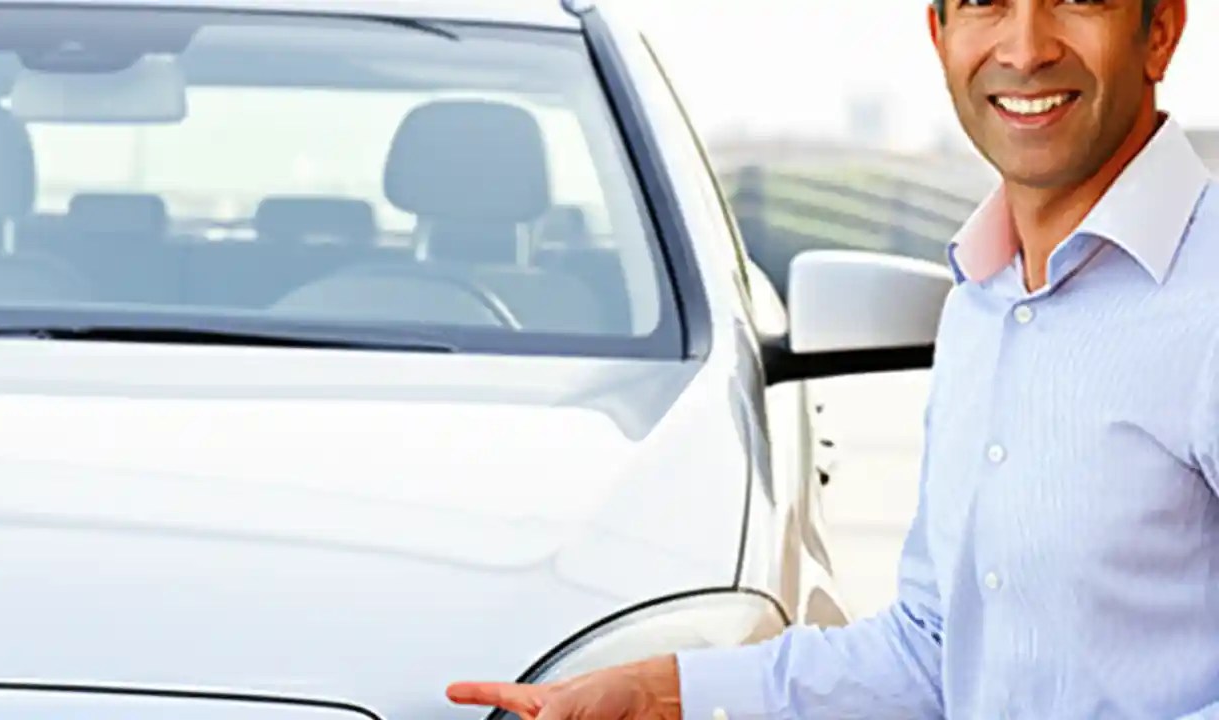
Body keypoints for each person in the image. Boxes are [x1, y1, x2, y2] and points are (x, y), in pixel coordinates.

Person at [445, 0, 1219, 717]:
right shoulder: (982, 306)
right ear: (939, 34)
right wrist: (656, 692)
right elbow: (934, 648)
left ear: (1160, 32)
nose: (1025, 48)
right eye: (986, 1)